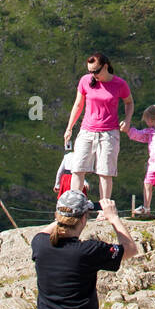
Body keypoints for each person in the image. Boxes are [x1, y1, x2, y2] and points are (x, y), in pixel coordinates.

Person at [64, 53, 133, 207]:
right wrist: (69, 127)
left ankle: (104, 208)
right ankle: (75, 205)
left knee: (105, 172)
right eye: (90, 71)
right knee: (78, 168)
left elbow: (129, 102)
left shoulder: (119, 84)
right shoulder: (85, 81)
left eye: (96, 71)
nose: (93, 75)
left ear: (106, 67)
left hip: (109, 133)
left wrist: (127, 120)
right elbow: (78, 105)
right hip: (87, 130)